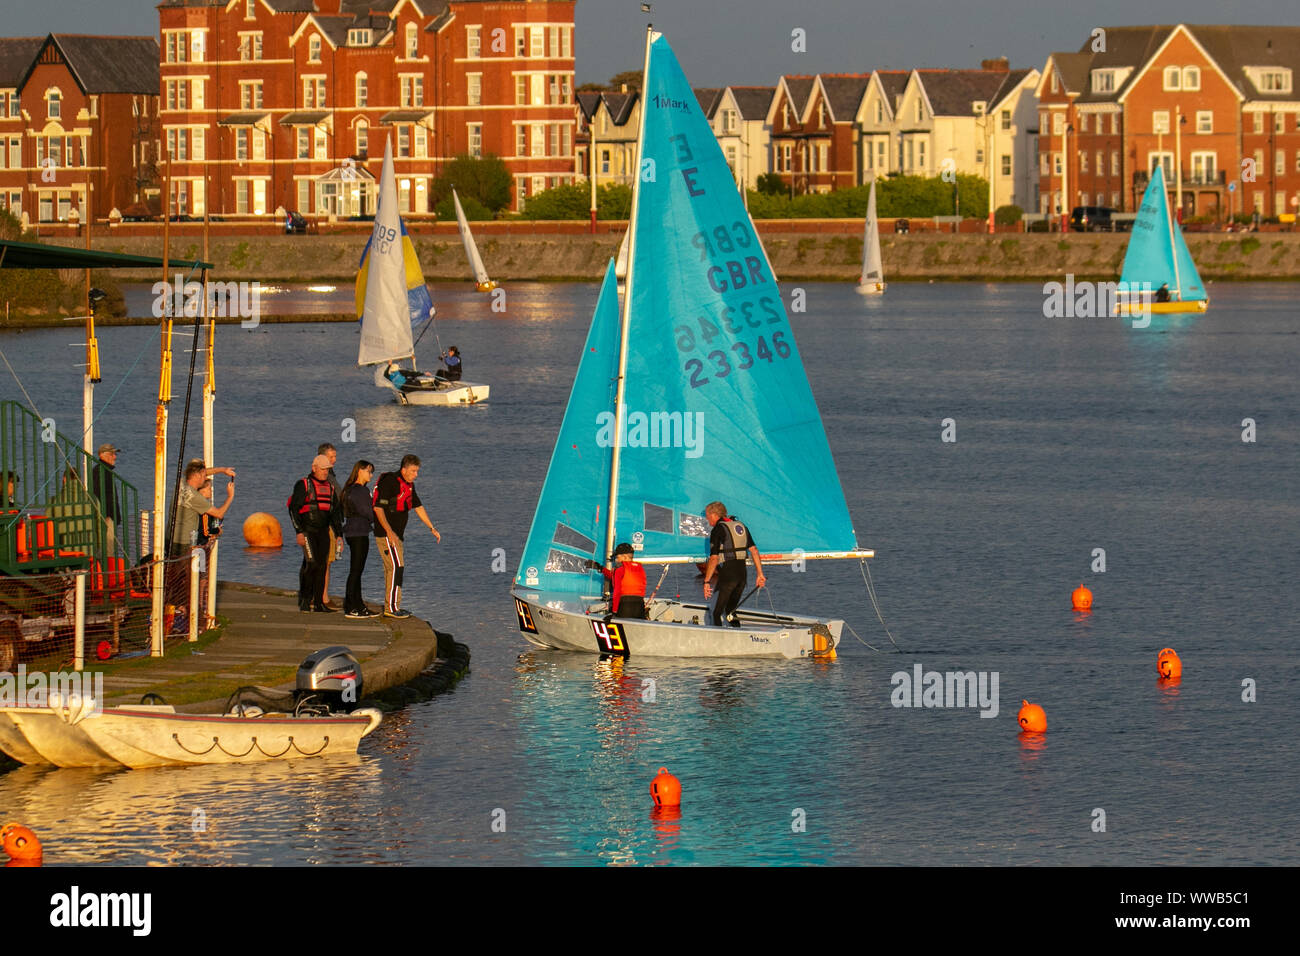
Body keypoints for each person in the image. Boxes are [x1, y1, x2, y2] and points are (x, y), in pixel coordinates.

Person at [372, 454, 440, 618]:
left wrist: (432, 527)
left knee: (393, 569)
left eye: (417, 471)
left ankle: (392, 605)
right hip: (386, 534)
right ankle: (392, 608)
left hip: (398, 536)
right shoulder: (390, 482)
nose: (416, 474)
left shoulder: (409, 485)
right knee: (396, 568)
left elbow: (418, 507)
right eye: (413, 471)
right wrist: (389, 531)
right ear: (404, 469)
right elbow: (378, 508)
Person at [287, 454, 343, 613]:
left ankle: (318, 603)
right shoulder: (303, 485)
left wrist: (339, 535)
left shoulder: (330, 489)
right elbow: (293, 510)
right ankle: (305, 600)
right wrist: (298, 531)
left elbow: (335, 513)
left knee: (322, 566)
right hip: (307, 532)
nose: (325, 472)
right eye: (323, 469)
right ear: (314, 468)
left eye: (327, 469)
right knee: (311, 564)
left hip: (323, 532)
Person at [701, 501, 766, 628]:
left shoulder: (718, 529)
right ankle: (738, 635)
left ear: (714, 515)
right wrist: (760, 574)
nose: (707, 520)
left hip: (728, 576)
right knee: (730, 610)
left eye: (708, 516)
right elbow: (754, 551)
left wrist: (706, 582)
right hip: (742, 576)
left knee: (716, 612)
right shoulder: (741, 527)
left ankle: (718, 642)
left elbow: (714, 558)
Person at [171, 461, 235, 557]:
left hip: (171, 538)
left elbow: (205, 472)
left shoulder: (181, 483)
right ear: (197, 475)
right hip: (185, 543)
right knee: (189, 571)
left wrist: (223, 470)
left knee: (173, 568)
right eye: (204, 475)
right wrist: (230, 496)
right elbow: (219, 514)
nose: (205, 477)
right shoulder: (195, 497)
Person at [342, 459, 379, 619]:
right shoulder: (360, 491)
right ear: (360, 471)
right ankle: (351, 606)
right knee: (356, 571)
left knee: (356, 570)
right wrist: (380, 521)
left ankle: (358, 604)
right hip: (359, 533)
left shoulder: (350, 489)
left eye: (372, 471)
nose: (371, 474)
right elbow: (367, 511)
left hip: (352, 532)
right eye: (368, 471)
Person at [588, 542, 647, 619]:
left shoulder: (620, 569)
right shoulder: (640, 568)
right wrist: (601, 568)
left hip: (625, 606)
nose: (615, 560)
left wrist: (614, 612)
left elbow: (617, 591)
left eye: (617, 557)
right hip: (640, 606)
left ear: (625, 557)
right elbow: (615, 576)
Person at [318, 442, 343, 608]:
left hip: (332, 525)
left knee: (326, 562)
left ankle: (319, 596)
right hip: (325, 525)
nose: (334, 460)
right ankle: (322, 597)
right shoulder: (323, 478)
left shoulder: (330, 475)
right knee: (324, 562)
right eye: (331, 456)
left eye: (335, 456)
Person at [90, 443, 122, 554]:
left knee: (107, 547)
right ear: (102, 455)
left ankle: (105, 567)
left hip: (107, 516)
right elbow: (98, 494)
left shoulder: (103, 471)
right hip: (106, 517)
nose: (115, 457)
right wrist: (107, 514)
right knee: (107, 549)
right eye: (112, 454)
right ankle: (106, 569)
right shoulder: (101, 471)